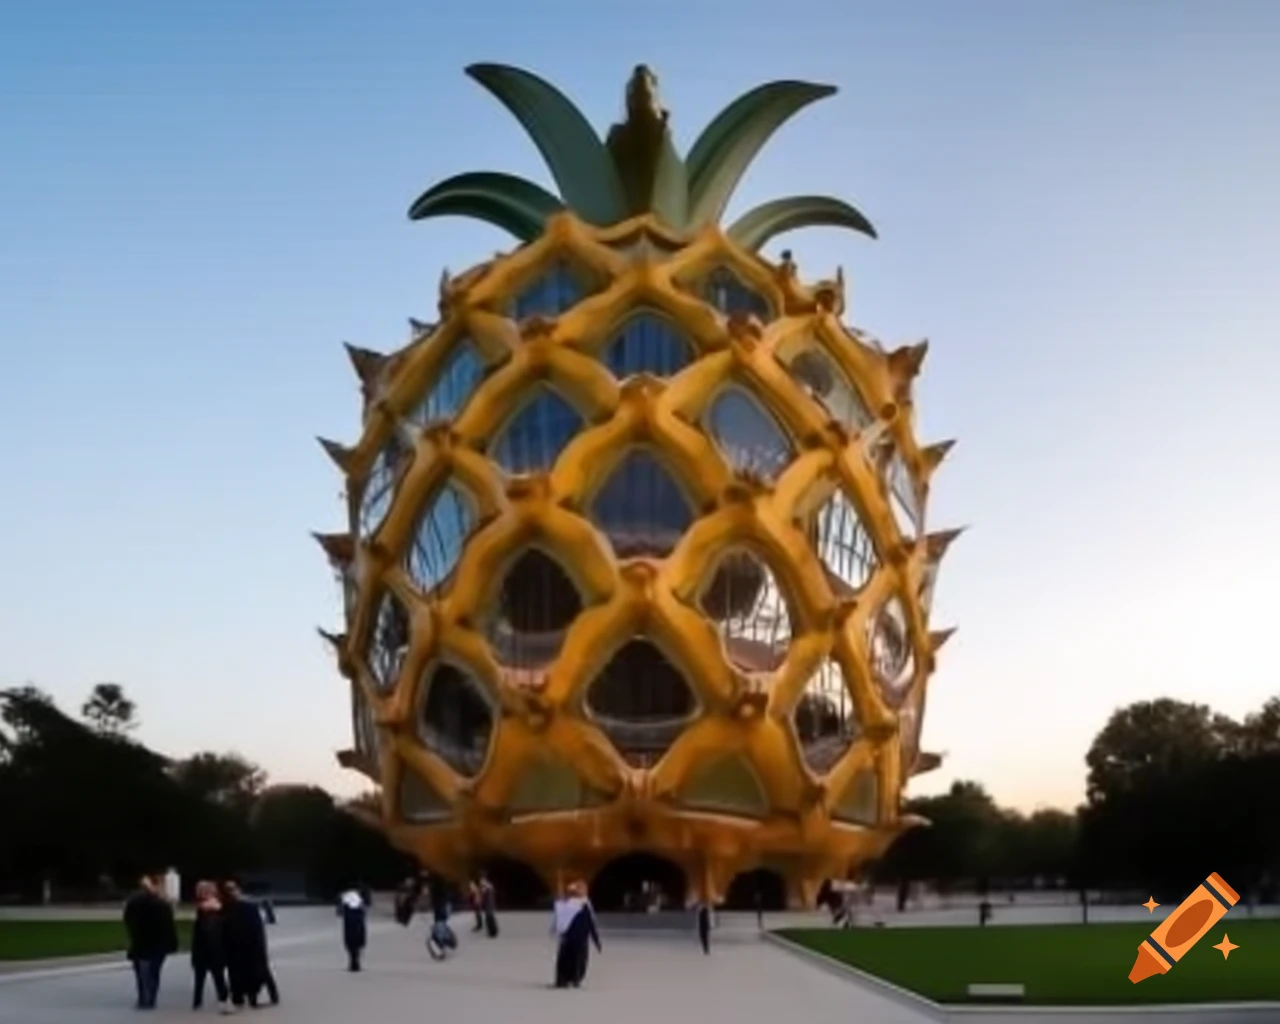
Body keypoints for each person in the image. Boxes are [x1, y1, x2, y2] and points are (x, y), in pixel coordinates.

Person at [123, 873, 179, 1010]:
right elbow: (169, 926)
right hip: (156, 943)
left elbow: (127, 920)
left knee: (142, 973)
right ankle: (150, 997)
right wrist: (172, 943)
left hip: (140, 942)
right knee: (153, 972)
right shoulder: (161, 904)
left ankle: (144, 997)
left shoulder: (134, 902)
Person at [221, 880, 280, 1009]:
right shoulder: (225, 908)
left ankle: (264, 995)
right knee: (237, 972)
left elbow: (257, 929)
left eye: (233, 889)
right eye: (228, 890)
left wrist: (260, 945)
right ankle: (239, 996)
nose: (231, 892)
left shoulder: (248, 907)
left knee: (260, 970)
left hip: (250, 945)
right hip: (234, 946)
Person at [190, 880, 231, 1013]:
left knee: (207, 977)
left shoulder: (209, 909)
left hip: (209, 948)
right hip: (211, 949)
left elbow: (207, 931)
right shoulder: (211, 908)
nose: (200, 893)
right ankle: (221, 1000)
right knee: (214, 977)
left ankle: (200, 1001)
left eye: (202, 891)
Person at [551, 880, 600, 988]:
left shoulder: (582, 904)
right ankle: (570, 979)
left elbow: (559, 921)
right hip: (574, 938)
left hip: (573, 938)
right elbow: (591, 924)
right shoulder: (573, 905)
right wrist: (596, 940)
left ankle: (569, 979)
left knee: (574, 960)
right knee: (575, 960)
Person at [337, 886, 368, 972]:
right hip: (358, 924)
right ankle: (356, 962)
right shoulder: (359, 900)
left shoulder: (345, 899)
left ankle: (353, 962)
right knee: (358, 943)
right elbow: (364, 912)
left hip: (349, 925)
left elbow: (339, 913)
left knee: (351, 944)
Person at [477, 872, 499, 938]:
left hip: (489, 904)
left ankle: (492, 932)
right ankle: (492, 932)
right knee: (489, 918)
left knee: (489, 918)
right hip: (489, 904)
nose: (480, 882)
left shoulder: (487, 884)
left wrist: (483, 890)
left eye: (481, 880)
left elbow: (485, 892)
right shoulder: (487, 885)